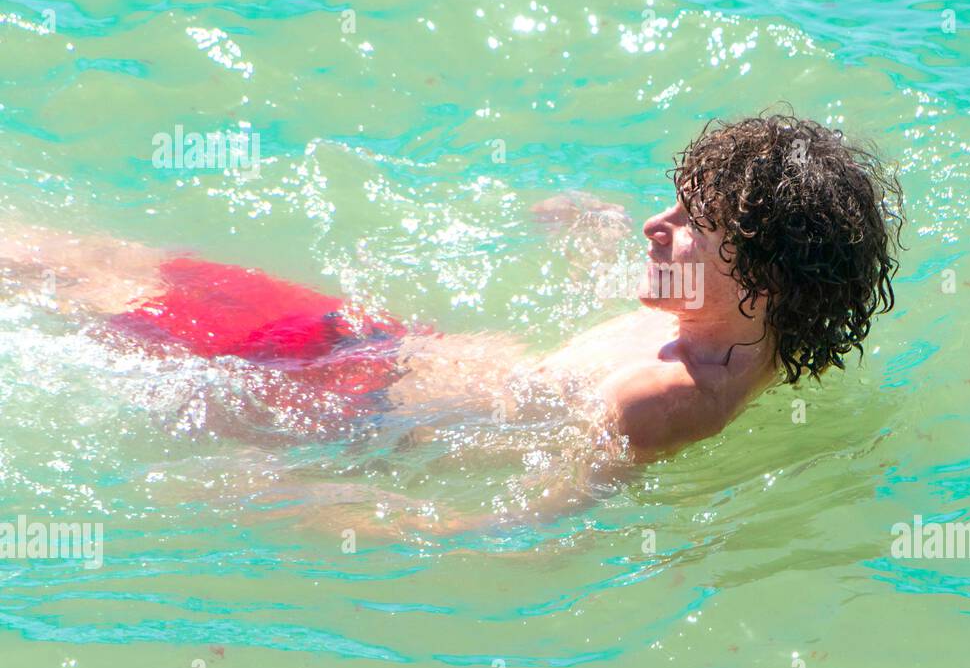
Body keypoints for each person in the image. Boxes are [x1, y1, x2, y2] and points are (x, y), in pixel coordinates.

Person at [0, 113, 902, 528]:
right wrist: (594, 244)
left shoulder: (663, 404)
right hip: (388, 349)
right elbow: (669, 308)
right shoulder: (764, 338)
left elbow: (516, 535)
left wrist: (299, 501)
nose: (651, 226)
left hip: (340, 403)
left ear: (762, 275)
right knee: (113, 267)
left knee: (97, 289)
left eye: (684, 223)